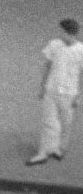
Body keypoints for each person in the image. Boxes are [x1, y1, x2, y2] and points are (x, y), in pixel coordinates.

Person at [28, 18, 83, 165]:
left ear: (69, 33)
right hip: (51, 90)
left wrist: (80, 95)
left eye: (62, 32)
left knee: (66, 123)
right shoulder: (54, 45)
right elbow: (47, 65)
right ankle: (43, 152)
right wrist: (42, 87)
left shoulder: (81, 51)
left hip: (69, 93)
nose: (59, 34)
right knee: (49, 122)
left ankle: (59, 149)